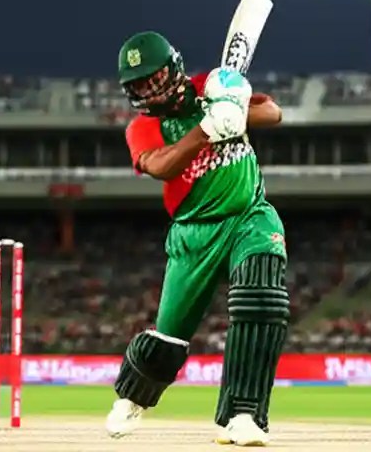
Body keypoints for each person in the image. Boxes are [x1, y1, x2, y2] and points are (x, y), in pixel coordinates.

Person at [105, 31, 288, 447]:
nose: (149, 90)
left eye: (154, 78)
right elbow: (162, 166)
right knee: (169, 337)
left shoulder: (212, 85)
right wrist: (206, 129)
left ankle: (244, 415)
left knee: (262, 299)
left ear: (174, 68)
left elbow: (273, 113)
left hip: (248, 215)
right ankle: (133, 395)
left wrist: (234, 106)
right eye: (139, 86)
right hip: (193, 233)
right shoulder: (142, 127)